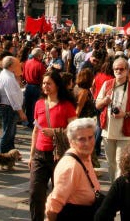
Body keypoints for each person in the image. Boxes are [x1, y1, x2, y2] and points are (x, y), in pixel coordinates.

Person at [29, 70, 77, 221]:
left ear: (57, 85)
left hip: (59, 155)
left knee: (59, 194)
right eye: (43, 83)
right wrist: (31, 155)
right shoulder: (39, 104)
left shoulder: (66, 105)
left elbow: (75, 130)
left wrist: (55, 132)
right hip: (40, 154)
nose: (45, 86)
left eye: (49, 83)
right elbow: (36, 130)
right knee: (35, 193)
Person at [96, 56, 130, 182]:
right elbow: (97, 105)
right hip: (108, 131)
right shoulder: (107, 84)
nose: (118, 71)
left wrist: (125, 114)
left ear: (127, 70)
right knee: (111, 163)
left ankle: (118, 189)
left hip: (125, 132)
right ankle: (114, 186)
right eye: (116, 69)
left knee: (120, 162)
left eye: (121, 69)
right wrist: (104, 101)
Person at [45, 118, 101, 220]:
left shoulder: (84, 155)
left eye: (90, 137)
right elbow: (53, 205)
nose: (87, 143)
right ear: (71, 141)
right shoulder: (71, 167)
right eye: (82, 139)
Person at [0, 55, 28, 153]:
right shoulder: (8, 78)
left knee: (10, 133)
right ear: (11, 66)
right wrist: (21, 112)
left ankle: (10, 153)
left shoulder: (9, 75)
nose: (19, 66)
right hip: (9, 108)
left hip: (9, 108)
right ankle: (2, 155)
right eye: (17, 64)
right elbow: (12, 97)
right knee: (8, 133)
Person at [24, 48, 46, 127]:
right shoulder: (40, 65)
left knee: (28, 105)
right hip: (36, 87)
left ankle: (28, 122)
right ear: (39, 55)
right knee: (35, 106)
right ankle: (33, 122)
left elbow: (24, 74)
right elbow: (43, 79)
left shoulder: (27, 62)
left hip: (28, 86)